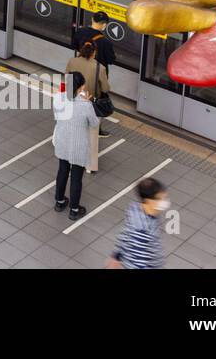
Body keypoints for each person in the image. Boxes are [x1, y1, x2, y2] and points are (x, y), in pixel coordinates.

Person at [52, 71, 99, 220]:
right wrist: (88, 102)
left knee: (62, 170)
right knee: (76, 177)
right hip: (78, 145)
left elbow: (56, 116)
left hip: (62, 140)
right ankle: (74, 209)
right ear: (80, 87)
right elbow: (94, 123)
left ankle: (59, 202)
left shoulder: (58, 98)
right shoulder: (85, 105)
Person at [106, 177, 169, 269]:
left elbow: (125, 234)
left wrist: (116, 255)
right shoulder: (142, 230)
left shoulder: (136, 208)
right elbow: (139, 264)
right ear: (149, 201)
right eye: (161, 198)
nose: (165, 201)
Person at [66, 40, 111, 163]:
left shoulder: (72, 61)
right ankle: (90, 164)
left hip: (72, 100)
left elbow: (67, 79)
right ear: (94, 52)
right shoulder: (100, 68)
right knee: (92, 133)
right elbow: (106, 88)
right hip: (89, 102)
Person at [71, 10, 116, 74]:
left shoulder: (80, 31)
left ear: (92, 19)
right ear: (104, 25)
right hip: (97, 75)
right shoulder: (106, 42)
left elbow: (74, 46)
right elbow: (110, 60)